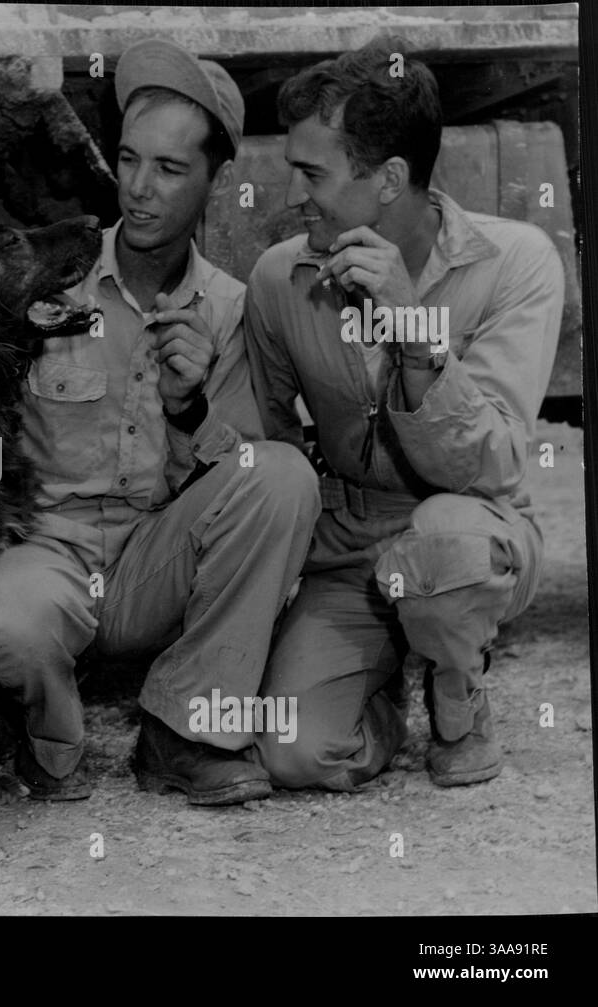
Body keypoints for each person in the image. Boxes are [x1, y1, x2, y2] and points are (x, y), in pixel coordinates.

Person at [0, 39, 319, 806]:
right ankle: (48, 739)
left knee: (284, 476)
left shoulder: (229, 309)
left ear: (215, 180)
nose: (138, 190)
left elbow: (245, 486)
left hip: (157, 560)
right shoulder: (50, 270)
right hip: (50, 556)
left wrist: (190, 405)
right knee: (10, 619)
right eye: (128, 160)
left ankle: (183, 730)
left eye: (168, 169)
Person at [244, 39, 563, 790]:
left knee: (444, 549)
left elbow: (488, 463)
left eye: (313, 173)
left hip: (465, 521)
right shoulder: (279, 278)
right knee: (296, 751)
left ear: (388, 179)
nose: (298, 193)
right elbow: (266, 447)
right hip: (349, 544)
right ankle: (377, 682)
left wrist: (414, 334)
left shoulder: (516, 263)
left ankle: (456, 694)